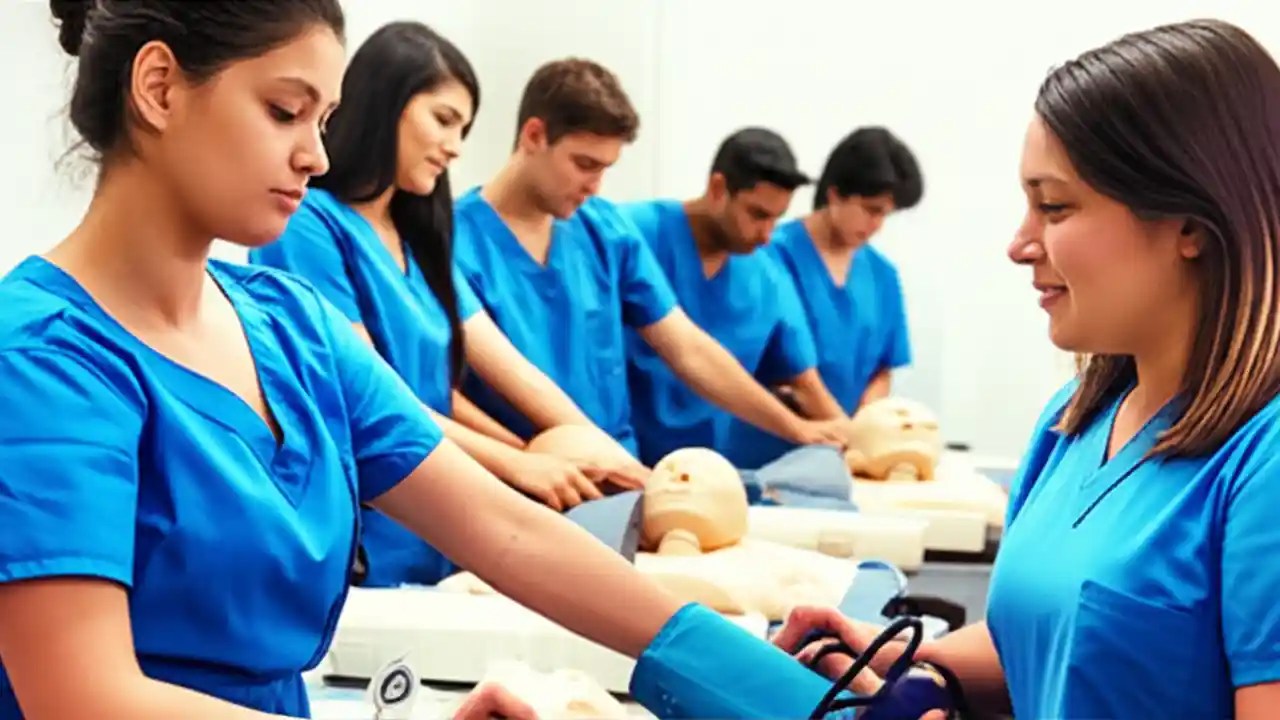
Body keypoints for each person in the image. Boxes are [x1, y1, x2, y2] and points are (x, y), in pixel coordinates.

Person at [0, 3, 864, 719]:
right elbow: (83, 694)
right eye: (284, 111)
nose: (317, 155)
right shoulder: (45, 358)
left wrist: (762, 680)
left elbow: (506, 529)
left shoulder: (292, 327)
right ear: (158, 88)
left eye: (326, 120)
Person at [771, 18, 1280, 719]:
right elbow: (1050, 647)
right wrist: (898, 660)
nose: (1019, 244)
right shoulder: (1072, 423)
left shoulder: (1263, 462)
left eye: (1055, 207)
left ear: (1190, 223)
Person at [248, 22, 644, 588]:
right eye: (443, 120)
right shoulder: (311, 226)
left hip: (440, 532)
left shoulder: (417, 242)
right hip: (369, 531)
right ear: (385, 105)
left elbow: (485, 378)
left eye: (464, 127)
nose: (456, 146)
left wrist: (593, 462)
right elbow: (370, 398)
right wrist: (518, 465)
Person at [452, 58, 847, 461]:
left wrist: (795, 428)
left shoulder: (605, 231)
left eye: (605, 168)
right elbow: (439, 396)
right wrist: (531, 458)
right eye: (584, 164)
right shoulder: (454, 245)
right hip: (524, 482)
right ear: (534, 136)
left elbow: (688, 349)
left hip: (619, 478)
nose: (595, 185)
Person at [617, 127, 847, 467]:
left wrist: (853, 441)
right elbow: (690, 353)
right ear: (718, 188)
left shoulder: (767, 277)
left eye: (776, 219)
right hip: (620, 463)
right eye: (757, 215)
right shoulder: (629, 234)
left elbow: (803, 382)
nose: (768, 235)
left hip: (707, 472)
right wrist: (796, 428)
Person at [730, 126, 923, 468]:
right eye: (870, 209)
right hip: (769, 454)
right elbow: (795, 376)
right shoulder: (770, 256)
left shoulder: (882, 275)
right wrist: (855, 439)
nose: (877, 224)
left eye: (885, 215)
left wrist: (866, 430)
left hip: (844, 457)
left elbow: (882, 369)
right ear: (834, 194)